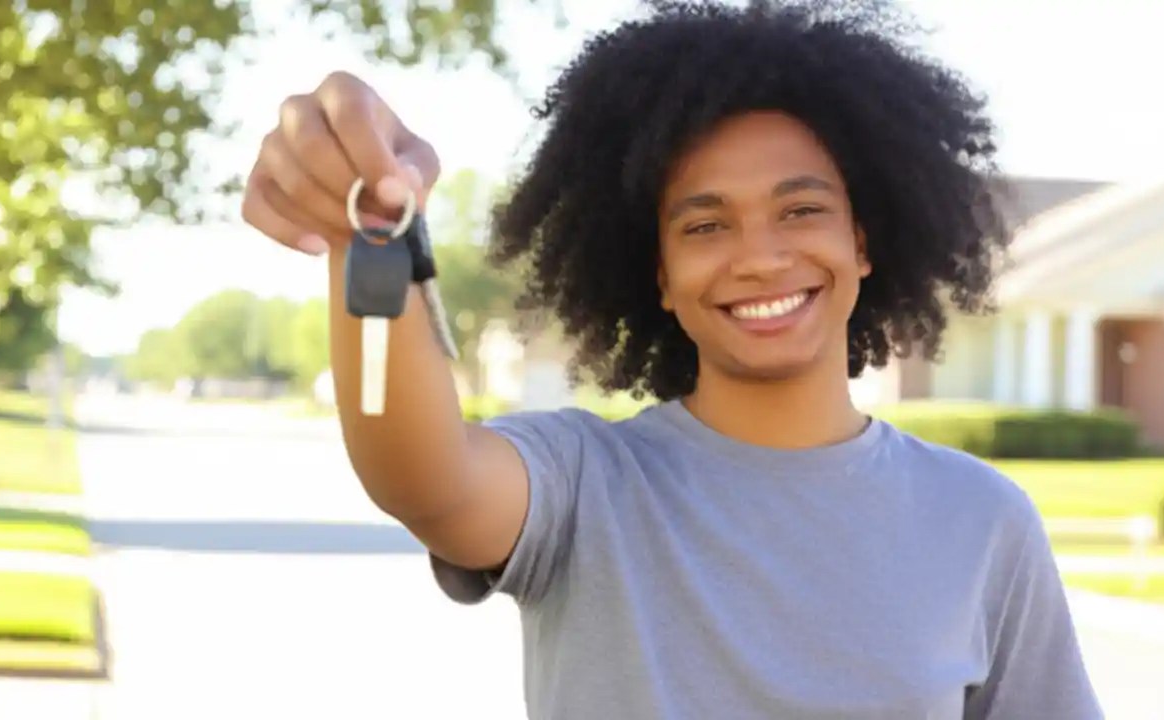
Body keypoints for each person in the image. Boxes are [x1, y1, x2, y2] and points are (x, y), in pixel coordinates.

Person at [240, 1, 1103, 717]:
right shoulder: (584, 485)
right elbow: (423, 477)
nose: (759, 256)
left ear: (864, 241)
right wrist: (374, 236)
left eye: (800, 211)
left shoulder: (982, 520)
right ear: (657, 273)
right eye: (704, 225)